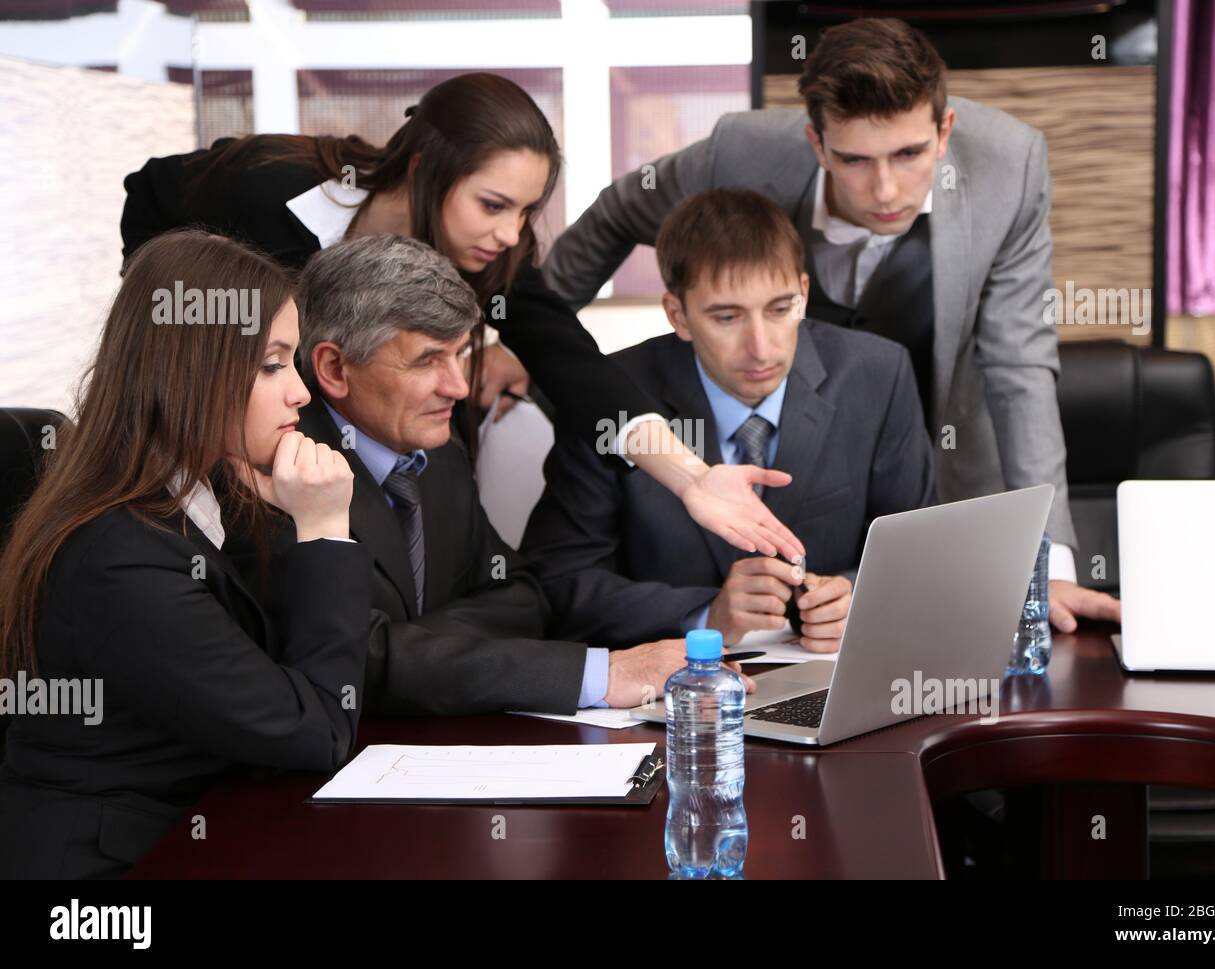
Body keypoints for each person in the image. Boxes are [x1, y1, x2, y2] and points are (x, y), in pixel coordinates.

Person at [541, 17, 1120, 633]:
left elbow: (1019, 366)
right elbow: (615, 214)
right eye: (854, 160)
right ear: (816, 143)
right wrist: (534, 339)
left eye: (909, 154)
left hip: (926, 437)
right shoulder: (741, 150)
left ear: (944, 131)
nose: (886, 189)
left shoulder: (1009, 168)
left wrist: (1049, 560)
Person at [121, 71, 802, 564]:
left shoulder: (495, 260)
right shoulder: (280, 192)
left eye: (527, 212)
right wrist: (175, 341)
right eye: (493, 204)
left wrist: (691, 476)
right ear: (425, 169)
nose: (510, 234)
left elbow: (572, 362)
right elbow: (146, 192)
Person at [229, 233, 752, 716]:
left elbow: (524, 595)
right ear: (335, 369)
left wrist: (408, 642)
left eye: (461, 353)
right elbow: (355, 664)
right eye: (429, 360)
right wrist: (604, 673)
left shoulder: (439, 453)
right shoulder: (278, 474)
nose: (457, 387)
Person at [0, 230, 370, 878]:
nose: (301, 393)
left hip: (205, 831)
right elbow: (316, 730)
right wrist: (324, 527)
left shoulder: (208, 495)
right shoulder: (118, 559)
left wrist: (296, 519)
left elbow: (298, 668)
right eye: (273, 363)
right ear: (195, 367)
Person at [522, 188, 935, 649]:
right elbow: (557, 584)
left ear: (803, 292)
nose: (761, 347)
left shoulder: (879, 374)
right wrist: (705, 614)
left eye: (780, 310)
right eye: (727, 317)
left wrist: (856, 597)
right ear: (678, 314)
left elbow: (919, 556)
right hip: (670, 697)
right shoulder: (610, 395)